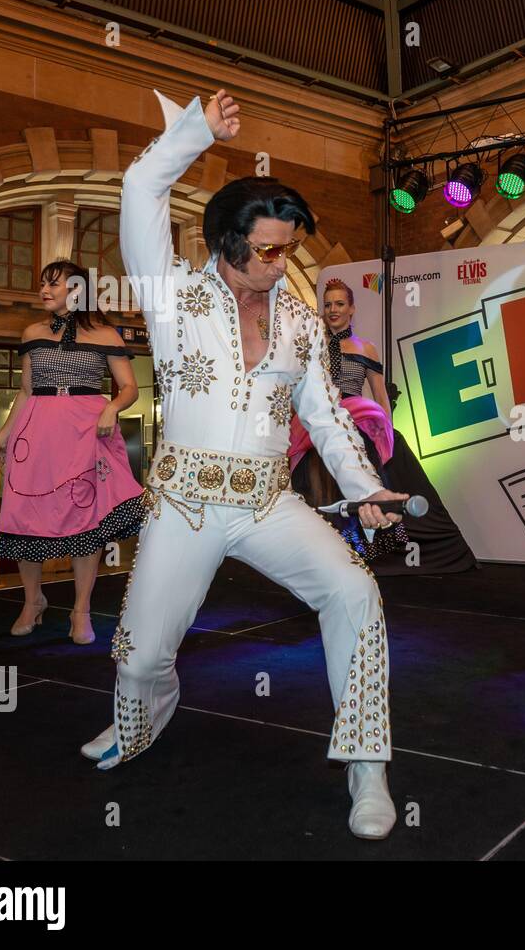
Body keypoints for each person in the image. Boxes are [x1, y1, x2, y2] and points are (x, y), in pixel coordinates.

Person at [80, 87, 406, 841]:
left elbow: (326, 417)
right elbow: (140, 187)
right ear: (226, 242)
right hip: (185, 503)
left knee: (355, 591)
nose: (280, 263)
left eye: (288, 248)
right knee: (139, 659)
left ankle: (367, 764)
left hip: (268, 502)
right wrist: (195, 130)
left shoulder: (300, 320)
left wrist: (365, 490)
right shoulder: (172, 295)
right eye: (267, 249)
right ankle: (143, 718)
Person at [0, 261, 145, 644]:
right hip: (36, 430)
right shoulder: (32, 332)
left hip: (86, 430)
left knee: (84, 516)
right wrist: (4, 434)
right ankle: (32, 601)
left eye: (53, 284)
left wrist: (112, 407)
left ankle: (81, 610)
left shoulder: (105, 333)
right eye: (42, 283)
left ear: (77, 290)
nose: (44, 290)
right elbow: (26, 390)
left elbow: (129, 388)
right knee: (25, 514)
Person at [288, 279, 408, 561]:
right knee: (314, 480)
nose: (333, 310)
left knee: (358, 475)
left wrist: (387, 433)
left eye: (340, 304)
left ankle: (359, 548)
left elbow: (380, 395)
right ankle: (320, 547)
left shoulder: (366, 348)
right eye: (328, 304)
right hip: (316, 423)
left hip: (358, 420)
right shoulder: (312, 346)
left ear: (352, 309)